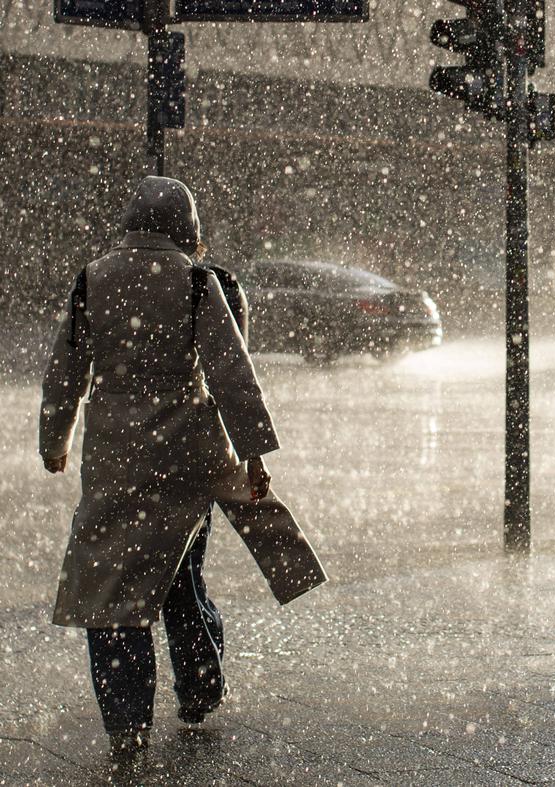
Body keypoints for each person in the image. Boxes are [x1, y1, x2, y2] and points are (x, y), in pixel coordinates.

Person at [39, 176, 327, 756]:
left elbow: (66, 368)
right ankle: (200, 688)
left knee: (111, 592)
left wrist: (55, 439)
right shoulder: (197, 282)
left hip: (117, 454)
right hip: (189, 451)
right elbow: (232, 372)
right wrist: (253, 453)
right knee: (181, 575)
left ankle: (126, 724)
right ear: (187, 227)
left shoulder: (92, 279)